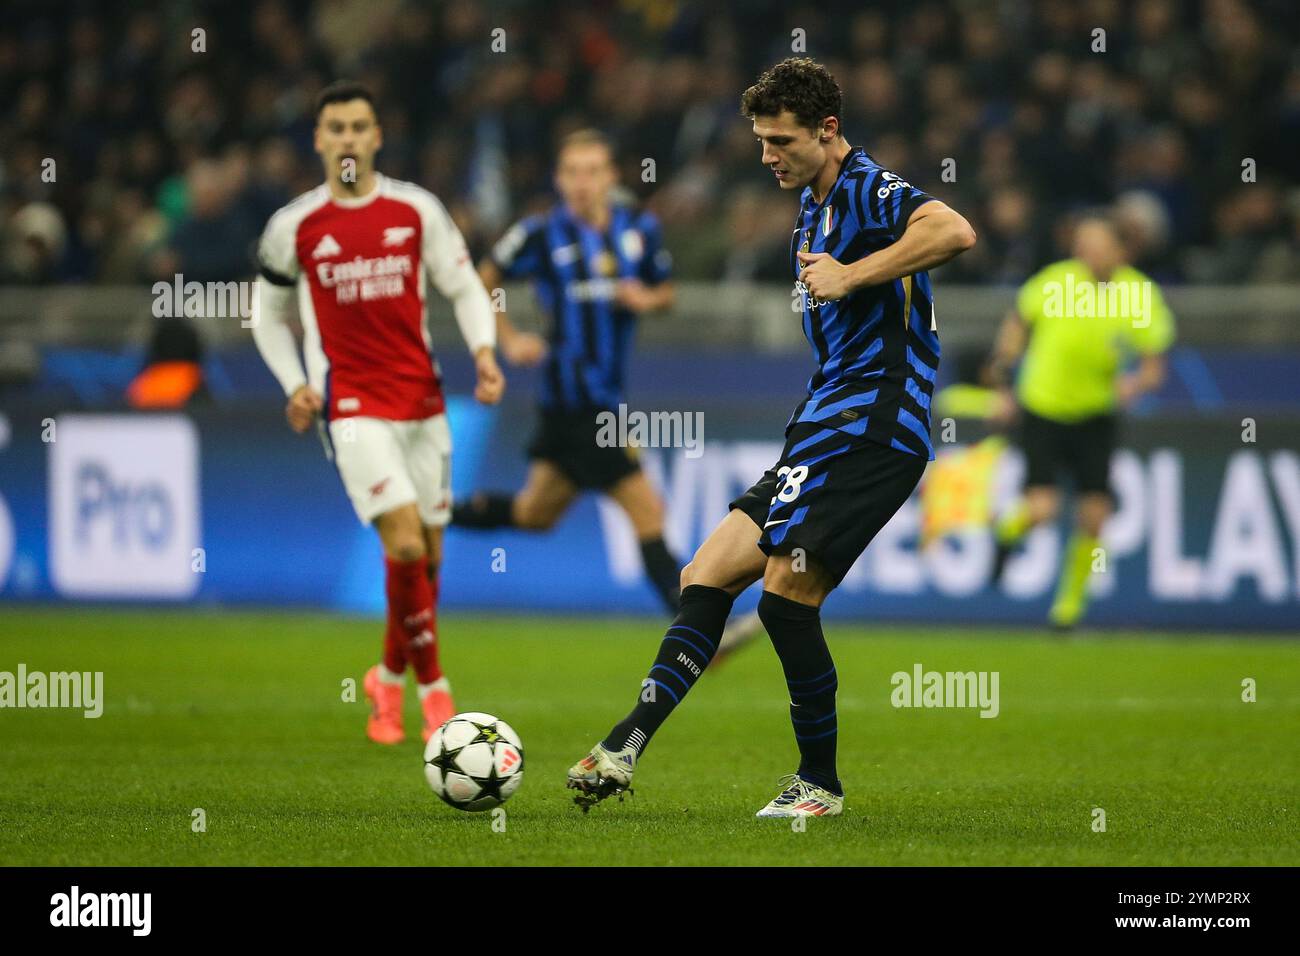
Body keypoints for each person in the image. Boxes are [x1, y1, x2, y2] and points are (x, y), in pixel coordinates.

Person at [565, 58, 976, 818]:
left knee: (787, 599)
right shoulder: (811, 208)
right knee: (706, 572)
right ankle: (625, 746)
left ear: (827, 131)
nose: (767, 156)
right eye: (760, 140)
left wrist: (854, 276)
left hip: (877, 428)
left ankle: (819, 785)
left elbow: (953, 229)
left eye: (781, 140)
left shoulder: (864, 188)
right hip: (823, 427)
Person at [250, 80, 505, 744]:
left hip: (422, 400)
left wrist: (483, 351)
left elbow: (465, 286)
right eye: (335, 127)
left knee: (427, 565)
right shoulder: (294, 226)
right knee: (404, 541)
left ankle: (386, 678)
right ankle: (435, 694)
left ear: (377, 136)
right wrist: (292, 383)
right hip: (352, 405)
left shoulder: (416, 209)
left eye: (359, 126)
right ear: (318, 139)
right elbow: (266, 317)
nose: (347, 139)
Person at [452, 129, 762, 655]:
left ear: (610, 177)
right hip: (579, 402)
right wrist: (507, 338)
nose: (582, 182)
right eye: (572, 172)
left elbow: (666, 291)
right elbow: (482, 279)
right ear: (559, 179)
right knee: (648, 512)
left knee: (535, 514)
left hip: (587, 404)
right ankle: (701, 637)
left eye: (592, 171)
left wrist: (645, 299)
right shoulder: (540, 233)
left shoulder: (638, 229)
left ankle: (435, 514)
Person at [986, 213, 1175, 629]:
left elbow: (1153, 366)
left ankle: (1067, 609)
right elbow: (1018, 322)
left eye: (1096, 243)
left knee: (1094, 515)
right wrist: (1004, 372)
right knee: (1043, 509)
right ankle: (1007, 531)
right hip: (1043, 407)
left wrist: (1135, 384)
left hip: (1095, 415)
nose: (1086, 251)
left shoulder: (1139, 295)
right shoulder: (1056, 281)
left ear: (1119, 249)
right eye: (1082, 243)